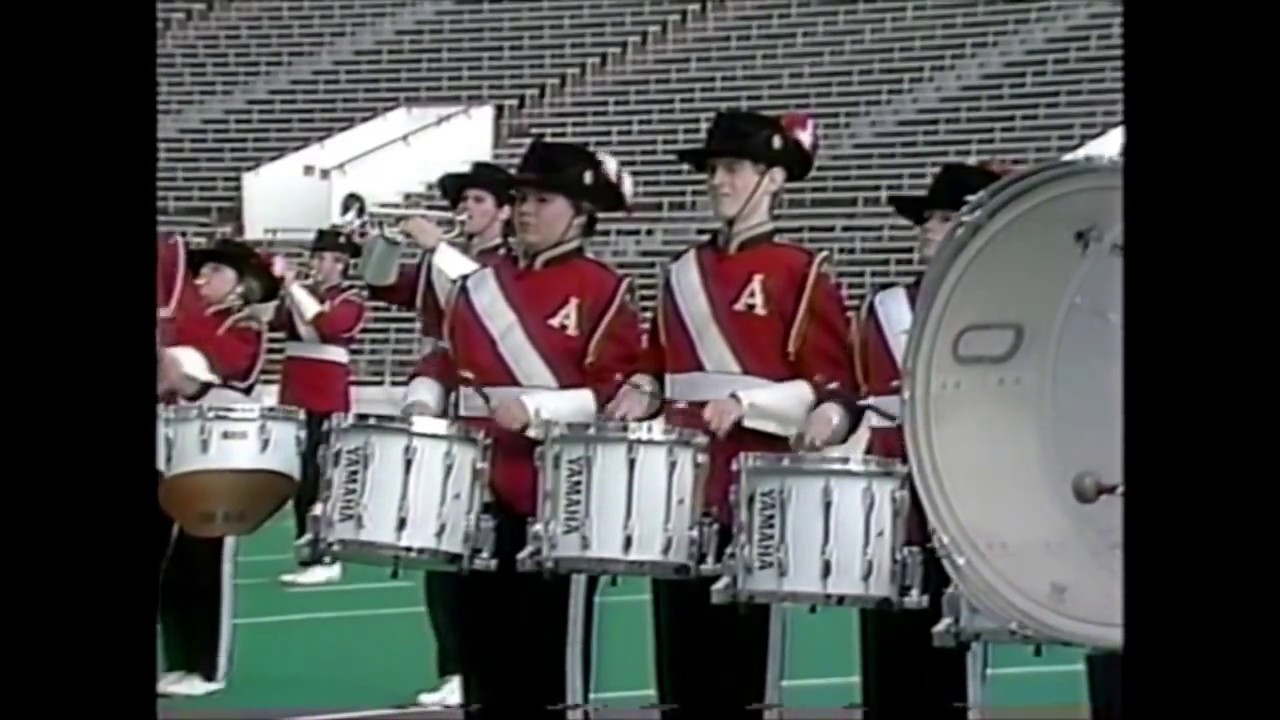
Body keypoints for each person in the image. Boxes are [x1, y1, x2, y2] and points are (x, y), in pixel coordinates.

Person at [604, 109, 855, 720]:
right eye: (715, 169)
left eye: (734, 168)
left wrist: (750, 403)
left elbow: (833, 386)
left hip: (755, 489)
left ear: (772, 179)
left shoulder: (802, 270)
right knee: (677, 662)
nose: (719, 181)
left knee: (742, 668)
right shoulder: (680, 271)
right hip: (678, 487)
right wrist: (639, 388)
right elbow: (656, 364)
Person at [403, 138, 642, 719]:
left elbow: (615, 390)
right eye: (523, 198)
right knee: (481, 664)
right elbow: (443, 358)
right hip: (472, 494)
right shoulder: (478, 285)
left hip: (555, 499)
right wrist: (420, 399)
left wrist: (539, 411)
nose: (527, 210)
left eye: (542, 199)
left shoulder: (604, 288)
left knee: (545, 672)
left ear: (580, 212)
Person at [798, 162, 1009, 720]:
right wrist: (832, 414)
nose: (928, 229)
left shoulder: (1006, 305)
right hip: (889, 499)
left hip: (965, 497)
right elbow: (852, 389)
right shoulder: (883, 308)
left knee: (957, 649)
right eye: (928, 219)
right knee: (885, 653)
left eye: (944, 218)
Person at [360, 160, 516, 708]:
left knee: (488, 543)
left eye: (477, 201)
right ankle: (453, 667)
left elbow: (484, 300)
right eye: (464, 201)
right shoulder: (440, 261)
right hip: (442, 388)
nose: (466, 211)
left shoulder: (509, 264)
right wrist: (378, 243)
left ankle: (484, 666)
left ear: (502, 210)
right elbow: (381, 285)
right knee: (442, 543)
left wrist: (435, 248)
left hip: (494, 399)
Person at [156, 237, 278, 698]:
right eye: (200, 272)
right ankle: (178, 660)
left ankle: (207, 669)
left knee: (204, 560)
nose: (202, 279)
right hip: (170, 446)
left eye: (217, 273)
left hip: (218, 454)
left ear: (242, 285)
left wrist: (175, 361)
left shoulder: (244, 326)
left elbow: (214, 372)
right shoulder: (188, 321)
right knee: (169, 564)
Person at [273, 228, 367, 587]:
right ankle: (309, 554)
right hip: (294, 394)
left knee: (320, 477)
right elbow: (278, 320)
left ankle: (326, 556)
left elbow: (329, 326)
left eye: (335, 260)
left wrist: (293, 286)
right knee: (300, 480)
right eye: (321, 258)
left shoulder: (352, 300)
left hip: (327, 399)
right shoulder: (302, 295)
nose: (325, 266)